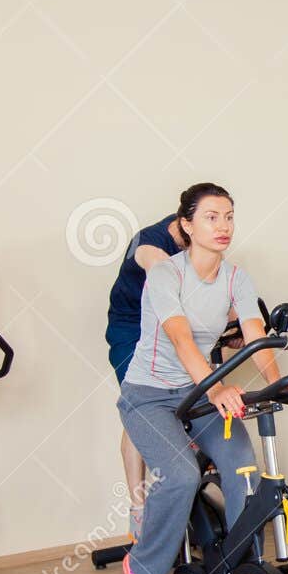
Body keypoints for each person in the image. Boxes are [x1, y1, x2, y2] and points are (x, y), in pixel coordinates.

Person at [116, 183, 282, 574]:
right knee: (180, 476)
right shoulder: (165, 274)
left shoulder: (237, 277)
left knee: (244, 470)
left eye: (229, 216)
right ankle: (143, 570)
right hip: (149, 396)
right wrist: (216, 389)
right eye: (211, 217)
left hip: (198, 394)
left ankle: (241, 568)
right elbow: (181, 339)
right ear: (187, 225)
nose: (223, 225)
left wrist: (279, 384)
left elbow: (256, 336)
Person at [106, 208, 188, 539]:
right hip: (132, 329)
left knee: (190, 400)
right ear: (185, 222)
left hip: (170, 326)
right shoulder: (151, 241)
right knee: (140, 408)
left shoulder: (200, 242)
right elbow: (162, 272)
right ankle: (138, 508)